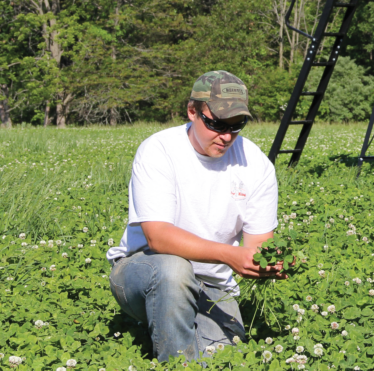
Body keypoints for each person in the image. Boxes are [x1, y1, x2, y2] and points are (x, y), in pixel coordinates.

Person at [106, 70, 281, 362]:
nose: (227, 136)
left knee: (223, 360)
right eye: (216, 124)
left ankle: (173, 330)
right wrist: (229, 255)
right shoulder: (159, 150)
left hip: (213, 285)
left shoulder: (257, 165)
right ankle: (175, 363)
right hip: (144, 270)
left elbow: (258, 243)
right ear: (192, 111)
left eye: (237, 125)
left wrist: (266, 262)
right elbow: (158, 237)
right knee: (173, 272)